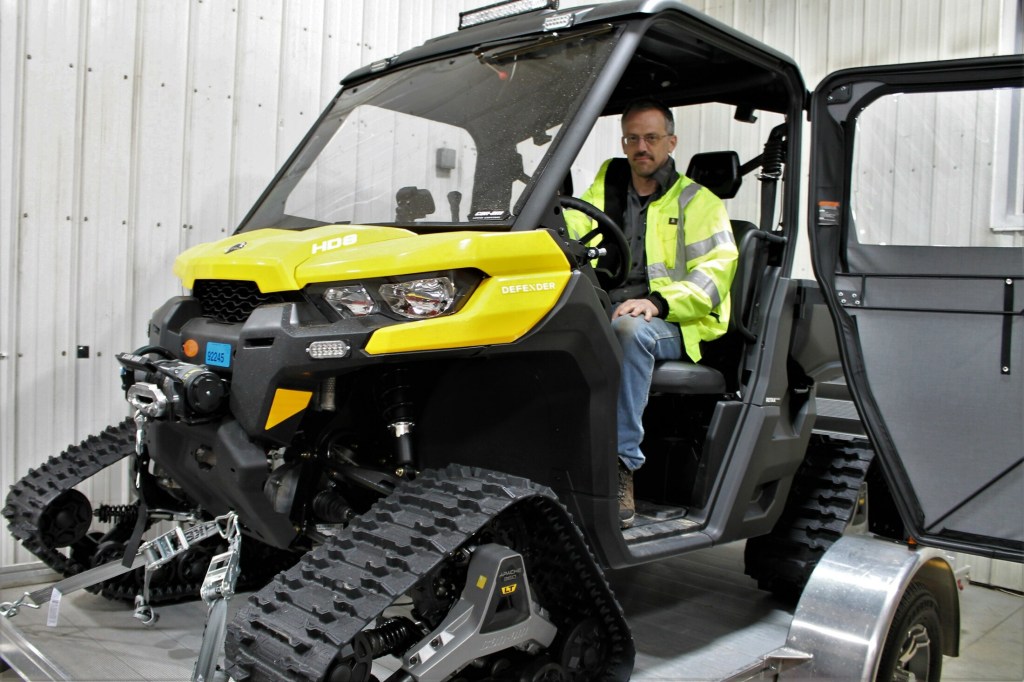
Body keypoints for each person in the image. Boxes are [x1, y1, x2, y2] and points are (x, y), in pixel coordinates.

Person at [567, 99, 738, 529]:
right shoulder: (605, 192)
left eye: (651, 138)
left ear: (671, 142)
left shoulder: (700, 203)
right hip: (609, 306)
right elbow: (569, 228)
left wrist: (660, 302)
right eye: (632, 138)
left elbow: (716, 275)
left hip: (677, 322)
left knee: (628, 329)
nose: (641, 147)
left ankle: (619, 466)